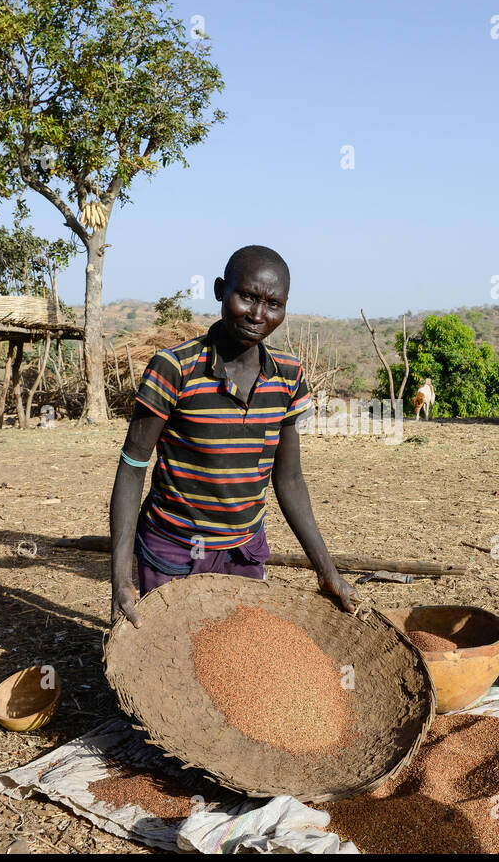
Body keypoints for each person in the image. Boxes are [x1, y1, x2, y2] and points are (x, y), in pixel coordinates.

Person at [109, 245, 358, 626]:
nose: (259, 315)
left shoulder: (288, 376)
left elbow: (289, 478)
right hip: (174, 551)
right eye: (247, 297)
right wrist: (120, 578)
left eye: (273, 304)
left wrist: (326, 570)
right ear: (220, 290)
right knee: (174, 658)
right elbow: (132, 468)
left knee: (233, 662)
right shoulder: (174, 368)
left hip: (244, 552)